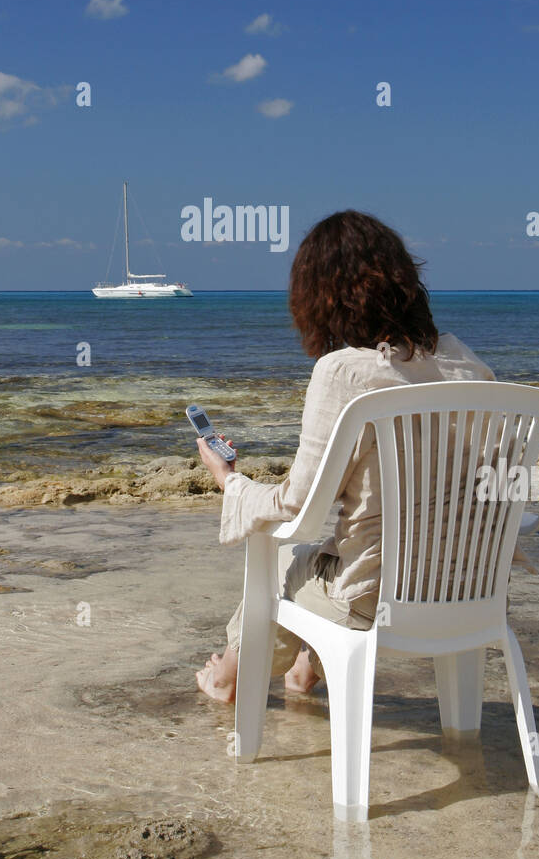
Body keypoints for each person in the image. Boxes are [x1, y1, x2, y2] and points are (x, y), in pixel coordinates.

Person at [195, 209, 498, 703]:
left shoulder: (344, 373)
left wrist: (230, 480)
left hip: (378, 599)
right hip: (468, 585)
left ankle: (228, 678)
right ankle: (304, 672)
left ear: (319, 296)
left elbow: (298, 505)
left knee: (285, 562)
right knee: (337, 551)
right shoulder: (462, 360)